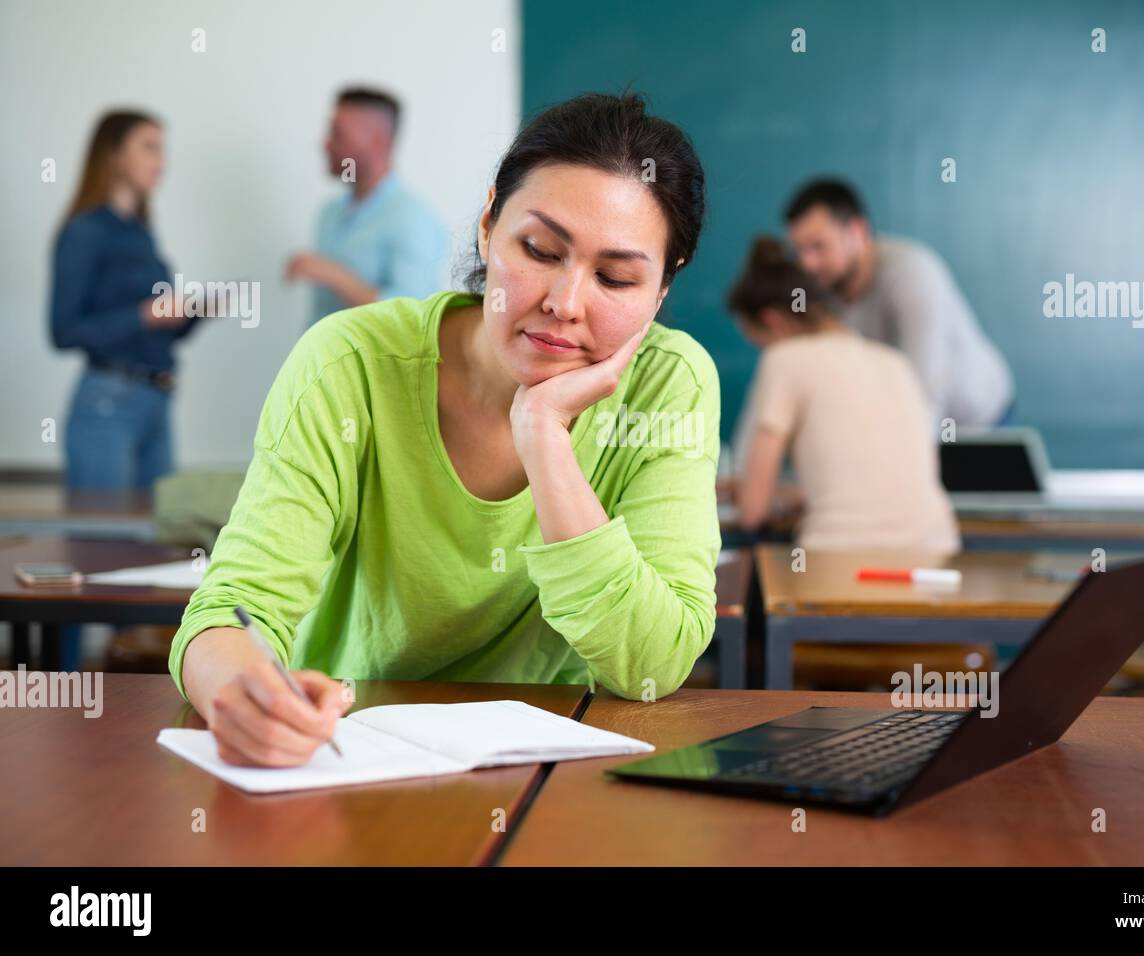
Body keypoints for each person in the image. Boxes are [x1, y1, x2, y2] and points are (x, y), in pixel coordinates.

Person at [169, 92, 720, 768]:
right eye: (541, 250)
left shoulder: (670, 383)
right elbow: (233, 607)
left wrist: (544, 436)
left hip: (543, 776)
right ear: (489, 224)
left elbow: (652, 665)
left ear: (663, 289)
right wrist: (242, 693)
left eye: (615, 277)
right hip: (340, 759)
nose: (564, 303)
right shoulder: (350, 362)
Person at [728, 236, 959, 553]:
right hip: (936, 559)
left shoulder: (784, 359)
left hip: (839, 565)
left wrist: (747, 493)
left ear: (774, 321)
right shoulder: (895, 362)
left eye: (760, 342)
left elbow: (753, 511)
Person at [50, 110, 203, 490]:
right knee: (106, 541)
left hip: (157, 397)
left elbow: (156, 329)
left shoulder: (141, 234)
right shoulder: (85, 231)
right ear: (115, 156)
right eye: (149, 148)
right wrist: (145, 315)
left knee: (160, 537)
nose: (162, 162)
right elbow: (63, 331)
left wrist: (191, 312)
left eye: (162, 150)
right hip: (108, 404)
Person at [784, 178, 1014, 428]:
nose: (807, 264)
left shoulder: (912, 274)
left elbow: (924, 394)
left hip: (977, 422)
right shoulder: (822, 288)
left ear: (858, 231)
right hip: (911, 422)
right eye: (799, 251)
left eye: (818, 247)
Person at [286, 87, 446, 327]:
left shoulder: (412, 218)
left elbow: (414, 318)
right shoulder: (329, 213)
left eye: (337, 133)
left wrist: (333, 274)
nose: (326, 143)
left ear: (378, 141)